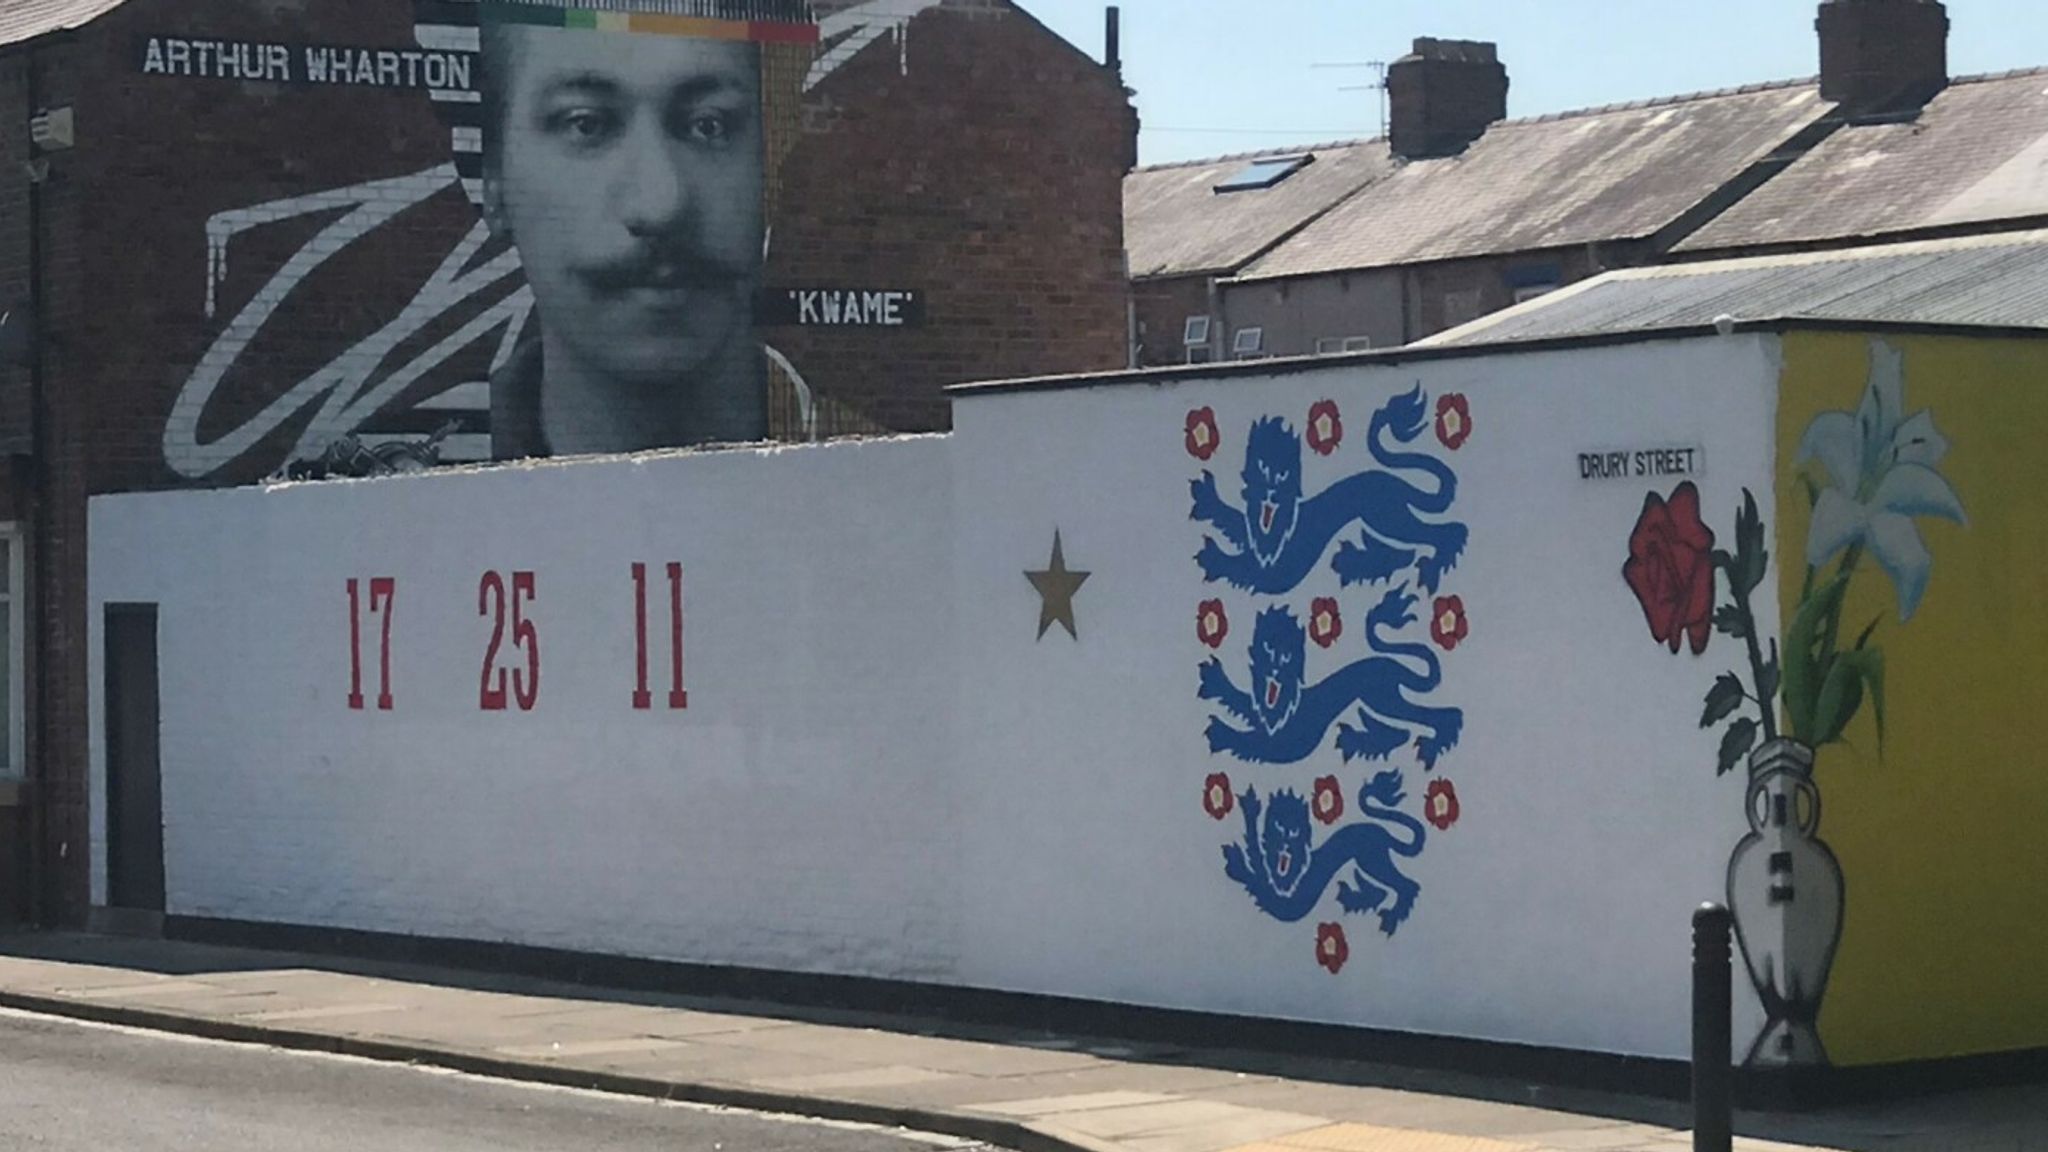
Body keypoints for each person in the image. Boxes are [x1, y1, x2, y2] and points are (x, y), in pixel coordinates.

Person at [477, 6, 802, 457]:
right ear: (493, 184)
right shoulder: (419, 492)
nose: (660, 205)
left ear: (776, 169)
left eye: (710, 125)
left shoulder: (881, 479)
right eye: (586, 124)